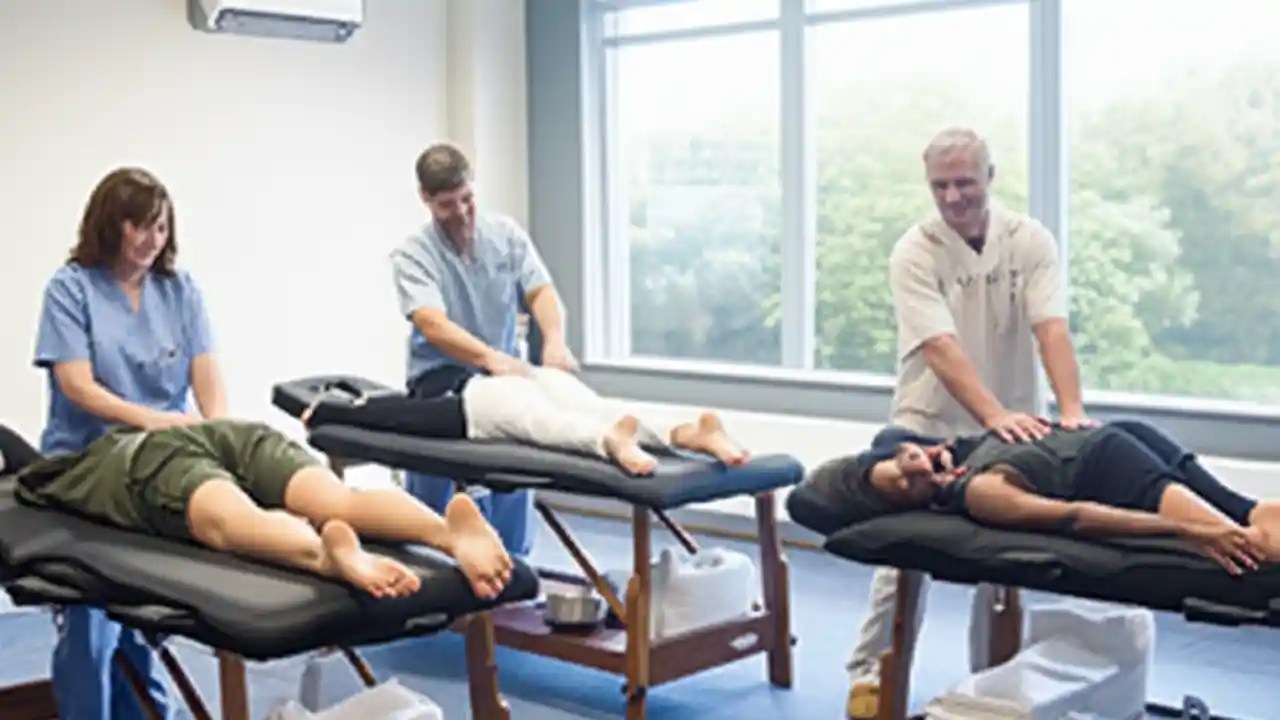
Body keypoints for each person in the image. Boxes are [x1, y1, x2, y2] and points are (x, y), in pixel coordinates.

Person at [845, 127, 1094, 719]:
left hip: (1011, 422)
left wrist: (1073, 412)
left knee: (1004, 557)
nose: (953, 197)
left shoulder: (1029, 240)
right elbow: (940, 346)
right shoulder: (916, 249)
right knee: (902, 550)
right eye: (940, 185)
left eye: (964, 182)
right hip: (928, 415)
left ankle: (994, 683)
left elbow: (1051, 329)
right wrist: (993, 416)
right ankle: (869, 674)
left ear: (990, 177)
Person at [32, 167, 229, 720]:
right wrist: (152, 421)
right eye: (137, 226)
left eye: (160, 228)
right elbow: (76, 384)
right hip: (86, 461)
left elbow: (207, 374)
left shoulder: (180, 290)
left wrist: (217, 434)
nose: (150, 240)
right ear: (108, 224)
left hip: (159, 461)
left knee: (145, 622)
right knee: (91, 630)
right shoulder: (70, 288)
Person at [10, 419, 514, 600]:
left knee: (235, 524)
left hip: (148, 460)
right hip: (231, 432)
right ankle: (446, 533)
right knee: (339, 500)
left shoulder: (41, 476)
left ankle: (324, 557)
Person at [390, 142, 577, 557]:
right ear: (425, 199)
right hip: (441, 378)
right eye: (446, 205)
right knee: (436, 499)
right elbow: (431, 324)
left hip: (505, 377)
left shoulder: (505, 236)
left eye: (467, 199)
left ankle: (513, 564)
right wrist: (491, 359)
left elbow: (540, 291)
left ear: (474, 187)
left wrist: (555, 344)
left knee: (517, 453)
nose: (460, 212)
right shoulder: (413, 255)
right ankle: (432, 562)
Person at [827, 419, 1278, 574]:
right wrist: (1189, 531)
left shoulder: (966, 448)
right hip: (1112, 462)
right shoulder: (981, 493)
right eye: (905, 486)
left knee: (1251, 528)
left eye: (907, 460)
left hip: (1119, 440)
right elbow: (1076, 517)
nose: (917, 467)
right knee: (1238, 533)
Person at [299, 366, 750, 475]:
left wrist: (324, 412)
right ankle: (691, 433)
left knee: (545, 424)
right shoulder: (474, 379)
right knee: (599, 406)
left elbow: (389, 414)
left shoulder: (453, 397)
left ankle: (607, 443)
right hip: (534, 372)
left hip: (497, 395)